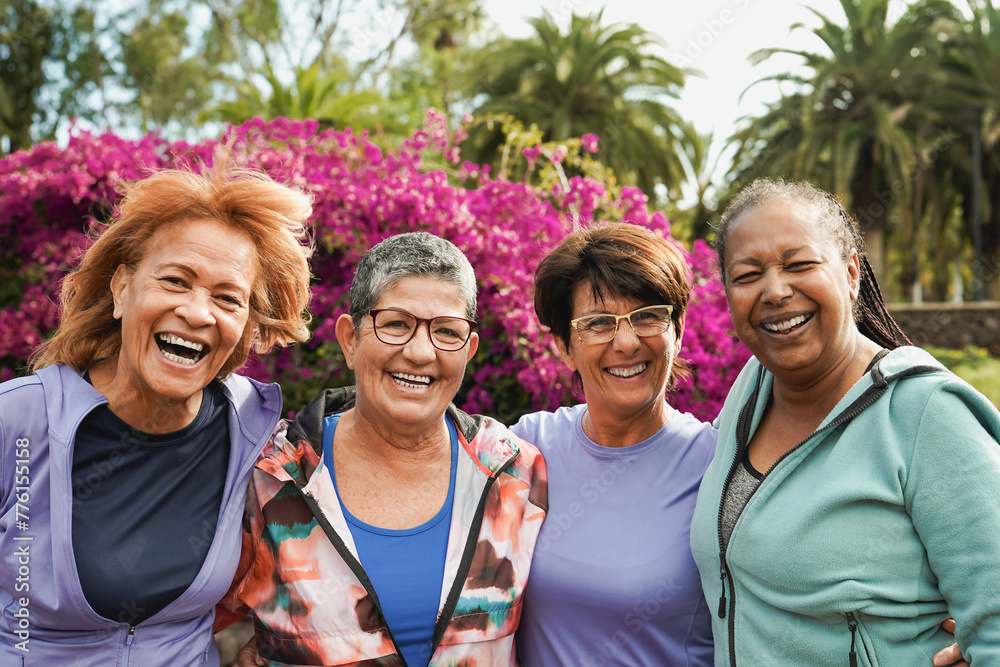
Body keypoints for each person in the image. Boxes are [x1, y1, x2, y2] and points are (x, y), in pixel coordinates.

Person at [0, 165, 313, 665]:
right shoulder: (18, 420)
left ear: (247, 327)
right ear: (122, 289)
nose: (197, 312)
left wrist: (277, 641)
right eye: (175, 280)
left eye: (227, 298)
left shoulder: (255, 434)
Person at [690, 178, 1000, 665]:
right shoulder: (751, 389)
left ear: (852, 272)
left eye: (800, 264)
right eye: (747, 275)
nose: (774, 291)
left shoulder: (925, 414)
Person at [216, 231, 548, 667]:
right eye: (396, 324)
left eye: (446, 331)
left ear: (468, 351)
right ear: (350, 339)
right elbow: (176, 620)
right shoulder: (271, 478)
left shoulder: (514, 474)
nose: (420, 352)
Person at [512, 223, 716, 666]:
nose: (626, 342)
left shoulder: (716, 464)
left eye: (647, 315)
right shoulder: (529, 447)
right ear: (565, 346)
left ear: (677, 330)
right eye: (598, 324)